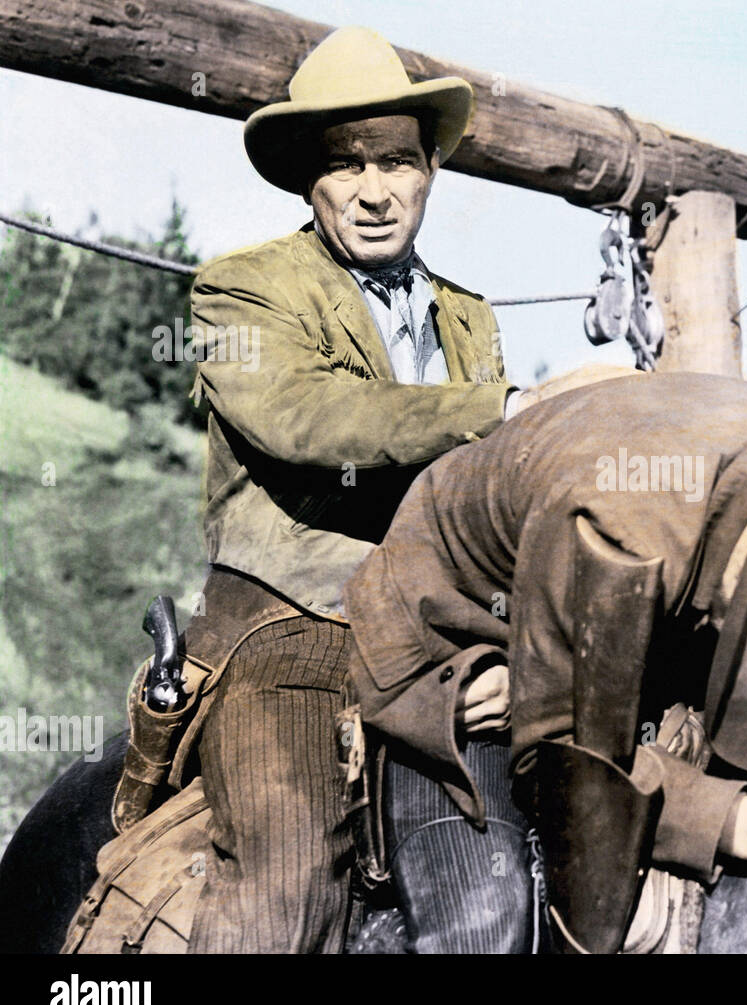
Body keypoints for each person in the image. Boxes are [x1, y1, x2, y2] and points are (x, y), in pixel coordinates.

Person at [154, 25, 597, 953]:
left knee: (507, 898)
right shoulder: (244, 289)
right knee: (283, 885)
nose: (372, 188)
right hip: (292, 631)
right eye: (346, 161)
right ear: (308, 179)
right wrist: (508, 408)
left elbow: (491, 511)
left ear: (430, 170)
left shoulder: (468, 319)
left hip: (441, 644)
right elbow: (304, 416)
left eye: (396, 158)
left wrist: (522, 650)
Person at [344, 371, 747, 953]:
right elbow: (563, 765)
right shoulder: (616, 532)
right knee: (485, 927)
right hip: (463, 628)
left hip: (638, 625)